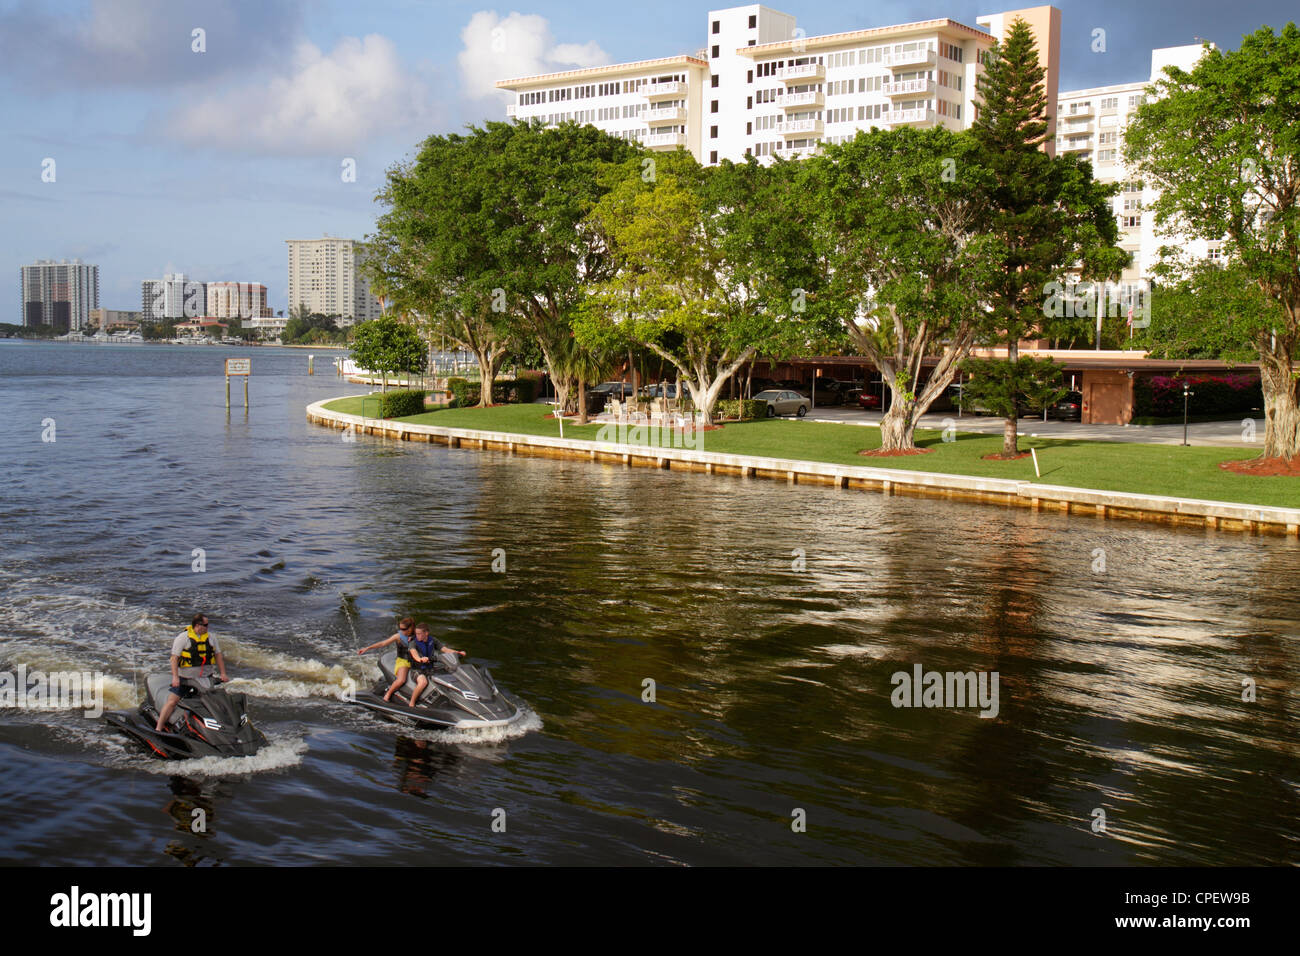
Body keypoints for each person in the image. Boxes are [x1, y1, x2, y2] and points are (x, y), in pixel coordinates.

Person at [155, 613, 229, 732]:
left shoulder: (211, 638)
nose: (207, 627)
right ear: (198, 625)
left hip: (205, 678)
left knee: (213, 703)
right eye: (205, 625)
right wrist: (175, 678)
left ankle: (215, 730)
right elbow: (174, 658)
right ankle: (158, 727)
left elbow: (218, 655)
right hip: (185, 678)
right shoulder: (183, 638)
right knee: (172, 701)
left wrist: (223, 674)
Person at [357, 617, 416, 703]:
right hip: (403, 662)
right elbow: (383, 643)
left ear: (411, 628)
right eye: (400, 629)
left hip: (415, 661)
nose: (401, 631)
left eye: (403, 629)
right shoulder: (398, 636)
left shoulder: (417, 635)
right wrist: (368, 648)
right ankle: (388, 694)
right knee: (401, 680)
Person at [406, 624, 464, 708]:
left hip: (430, 669)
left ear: (426, 633)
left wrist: (458, 653)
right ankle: (411, 703)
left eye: (419, 633)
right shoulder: (413, 643)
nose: (417, 635)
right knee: (423, 682)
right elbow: (414, 654)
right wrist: (420, 659)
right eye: (416, 633)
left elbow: (445, 650)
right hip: (417, 670)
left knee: (447, 677)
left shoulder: (433, 640)